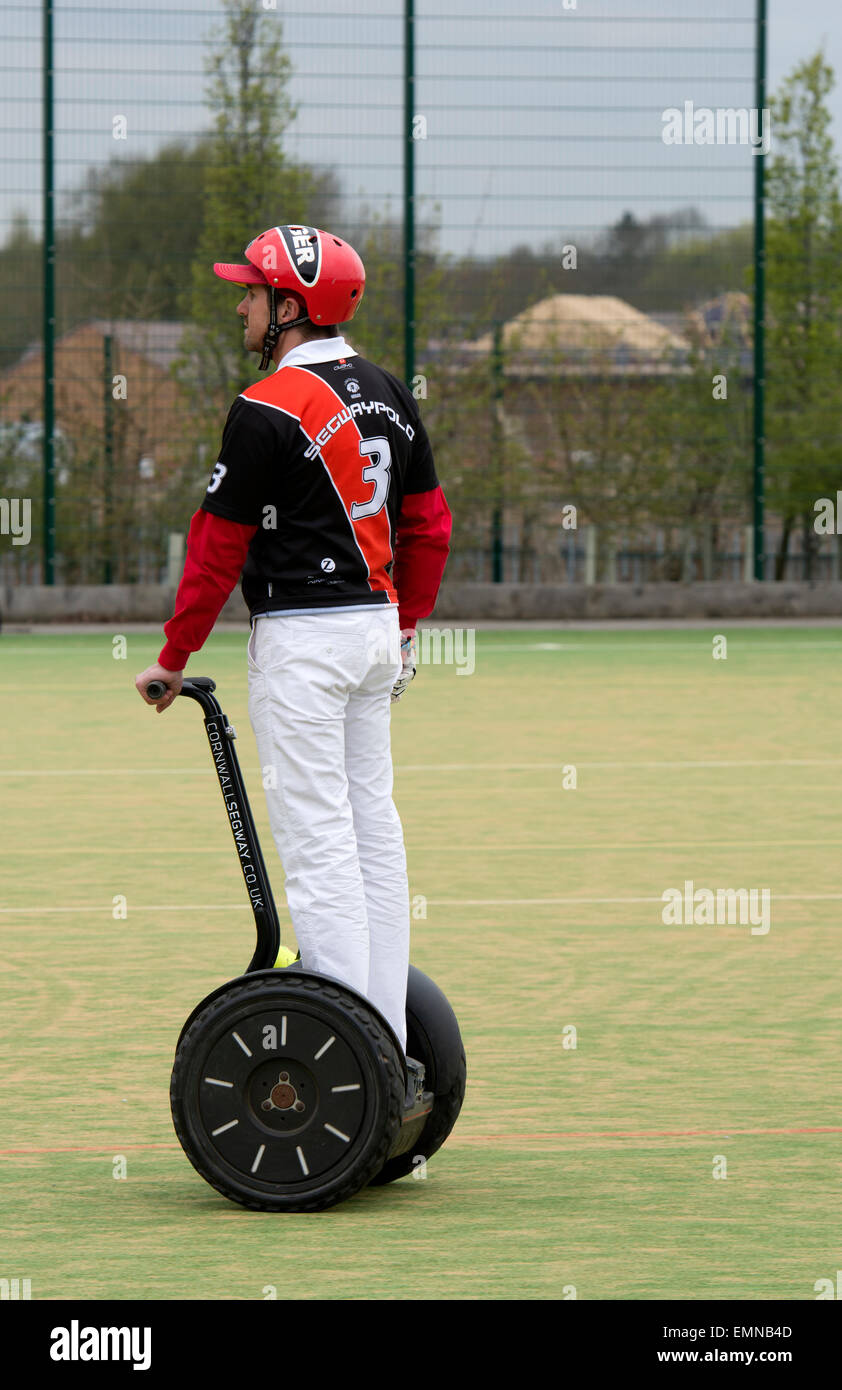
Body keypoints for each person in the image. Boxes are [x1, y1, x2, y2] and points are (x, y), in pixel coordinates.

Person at [135, 224, 452, 1063]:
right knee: (372, 829)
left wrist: (173, 657)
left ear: (289, 307)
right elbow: (430, 525)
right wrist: (408, 624)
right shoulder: (386, 389)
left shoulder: (265, 406)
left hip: (305, 644)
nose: (240, 305)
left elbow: (215, 548)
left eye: (250, 293)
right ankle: (384, 1032)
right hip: (377, 633)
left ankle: (351, 1054)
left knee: (317, 842)